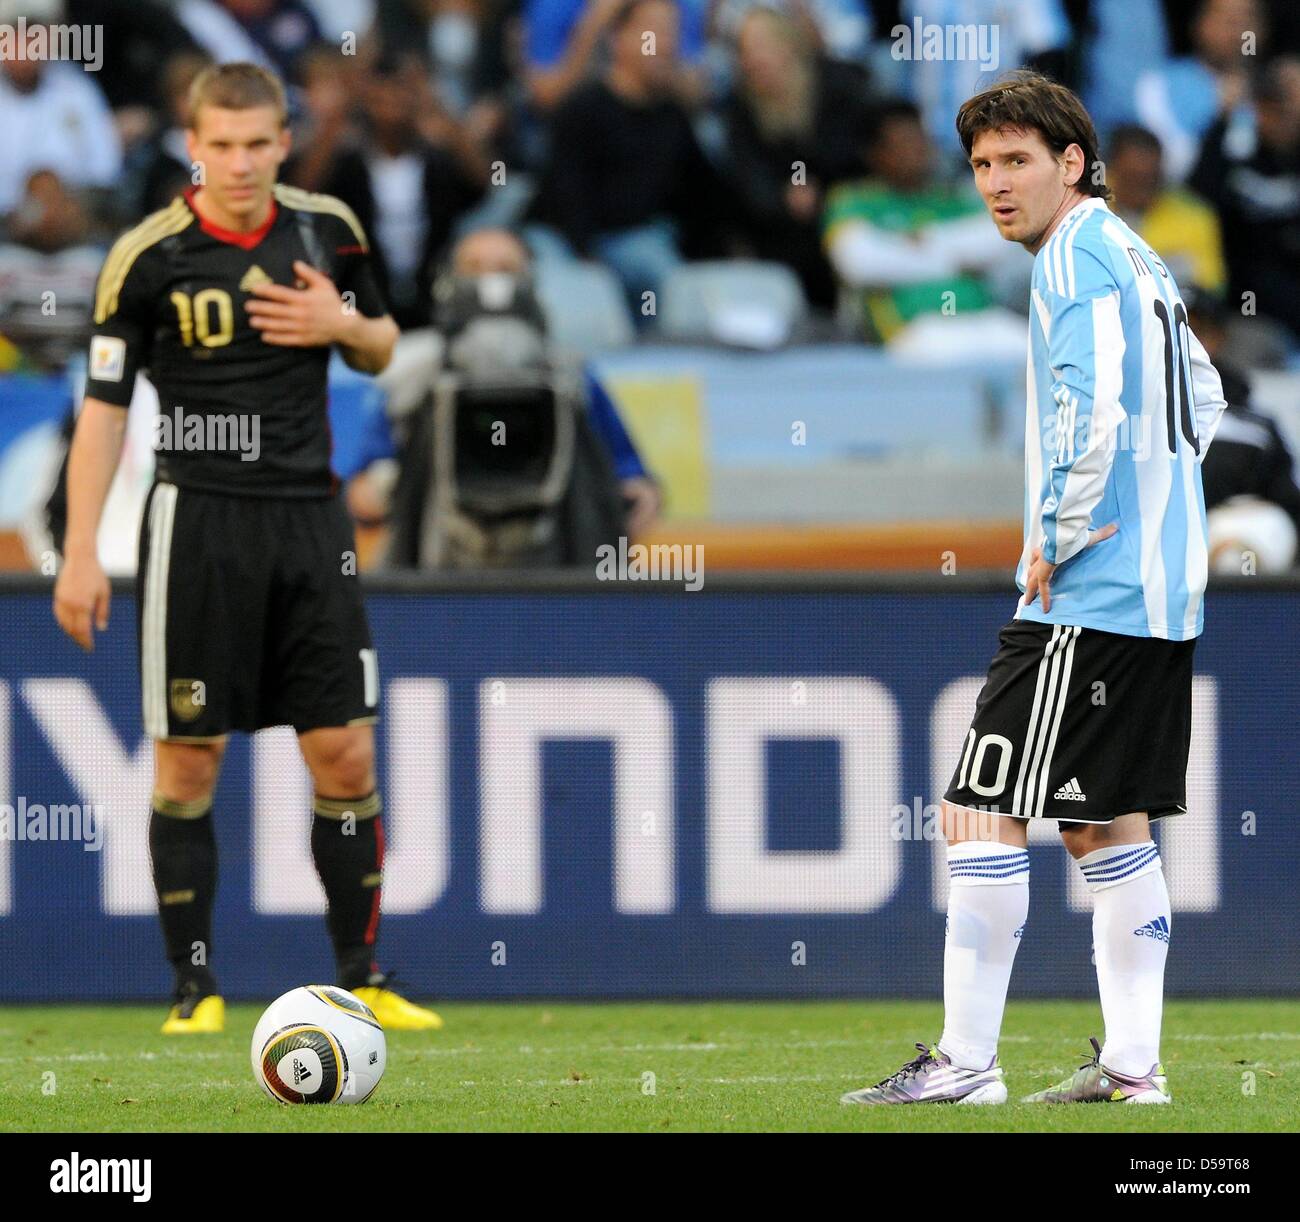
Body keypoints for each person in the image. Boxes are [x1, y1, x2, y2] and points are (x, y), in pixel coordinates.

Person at [842, 71, 1227, 1107]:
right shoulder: (1136, 250)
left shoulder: (1071, 258)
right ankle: (1132, 1069)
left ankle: (967, 1064)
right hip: (1160, 588)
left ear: (1070, 163)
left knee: (976, 807)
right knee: (1108, 823)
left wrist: (1061, 532)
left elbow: (1092, 407)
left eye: (1017, 161)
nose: (995, 186)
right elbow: (1207, 392)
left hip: (1087, 588)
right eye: (980, 167)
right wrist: (1163, 505)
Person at [50, 62, 442, 1035]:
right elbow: (101, 413)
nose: (239, 164)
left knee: (345, 750)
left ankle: (366, 972)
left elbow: (388, 342)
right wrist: (80, 550)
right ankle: (195, 988)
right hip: (198, 521)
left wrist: (337, 322)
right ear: (193, 145)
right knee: (188, 761)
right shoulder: (147, 257)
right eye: (220, 146)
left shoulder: (327, 229)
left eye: (257, 143)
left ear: (281, 140)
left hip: (311, 520)